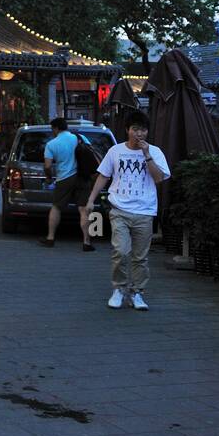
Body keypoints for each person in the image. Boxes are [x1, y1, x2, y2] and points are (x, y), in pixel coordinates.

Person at [83, 110, 169, 311]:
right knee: (120, 251)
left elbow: (159, 179)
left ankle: (137, 292)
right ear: (127, 130)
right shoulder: (115, 151)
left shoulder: (155, 152)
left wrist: (147, 156)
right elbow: (103, 176)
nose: (139, 134)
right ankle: (119, 289)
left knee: (140, 256)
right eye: (135, 129)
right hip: (119, 209)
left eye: (143, 130)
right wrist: (90, 200)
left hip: (145, 211)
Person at [39, 117, 94, 251]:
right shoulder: (80, 137)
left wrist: (48, 177)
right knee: (83, 209)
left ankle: (50, 238)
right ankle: (86, 242)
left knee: (56, 207)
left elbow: (47, 166)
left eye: (52, 129)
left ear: (56, 128)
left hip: (64, 178)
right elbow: (90, 152)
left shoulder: (52, 144)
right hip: (82, 177)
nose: (52, 131)